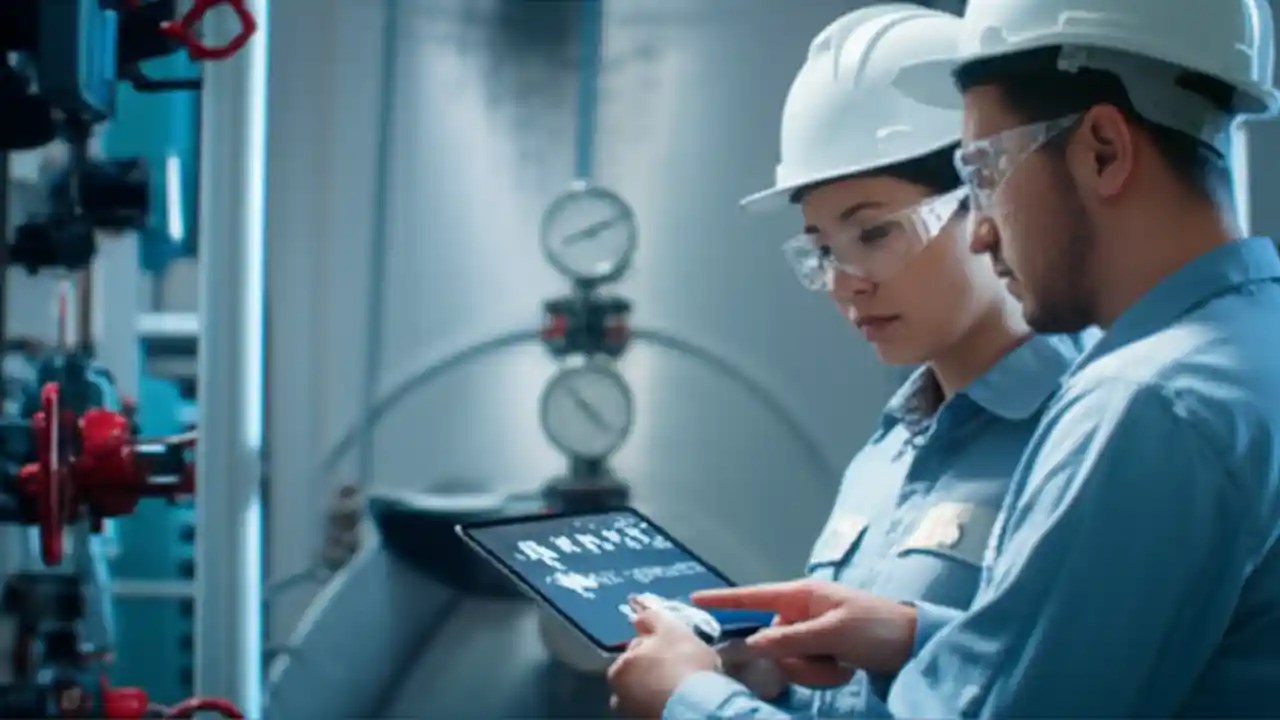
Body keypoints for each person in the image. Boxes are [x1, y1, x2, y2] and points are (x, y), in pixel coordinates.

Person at [642, 0, 1280, 717]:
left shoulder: (1145, 404)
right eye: (822, 250)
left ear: (1104, 149)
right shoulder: (1251, 345)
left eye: (985, 172)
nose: (982, 233)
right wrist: (914, 639)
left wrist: (687, 700)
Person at [605, 4, 1095, 718]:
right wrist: (769, 682)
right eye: (823, 249)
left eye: (875, 232)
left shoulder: (1087, 431)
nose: (844, 281)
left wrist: (691, 703)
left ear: (992, 197)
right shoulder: (889, 451)